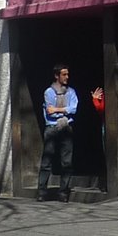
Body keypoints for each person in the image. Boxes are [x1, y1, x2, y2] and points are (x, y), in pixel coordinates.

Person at [39, 65, 76, 201]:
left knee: (66, 161)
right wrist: (64, 111)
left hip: (66, 127)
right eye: (64, 74)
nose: (67, 77)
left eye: (67, 74)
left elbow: (74, 109)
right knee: (47, 161)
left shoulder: (71, 92)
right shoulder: (49, 92)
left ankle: (63, 192)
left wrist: (57, 109)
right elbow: (50, 112)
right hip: (52, 127)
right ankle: (42, 192)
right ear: (57, 76)